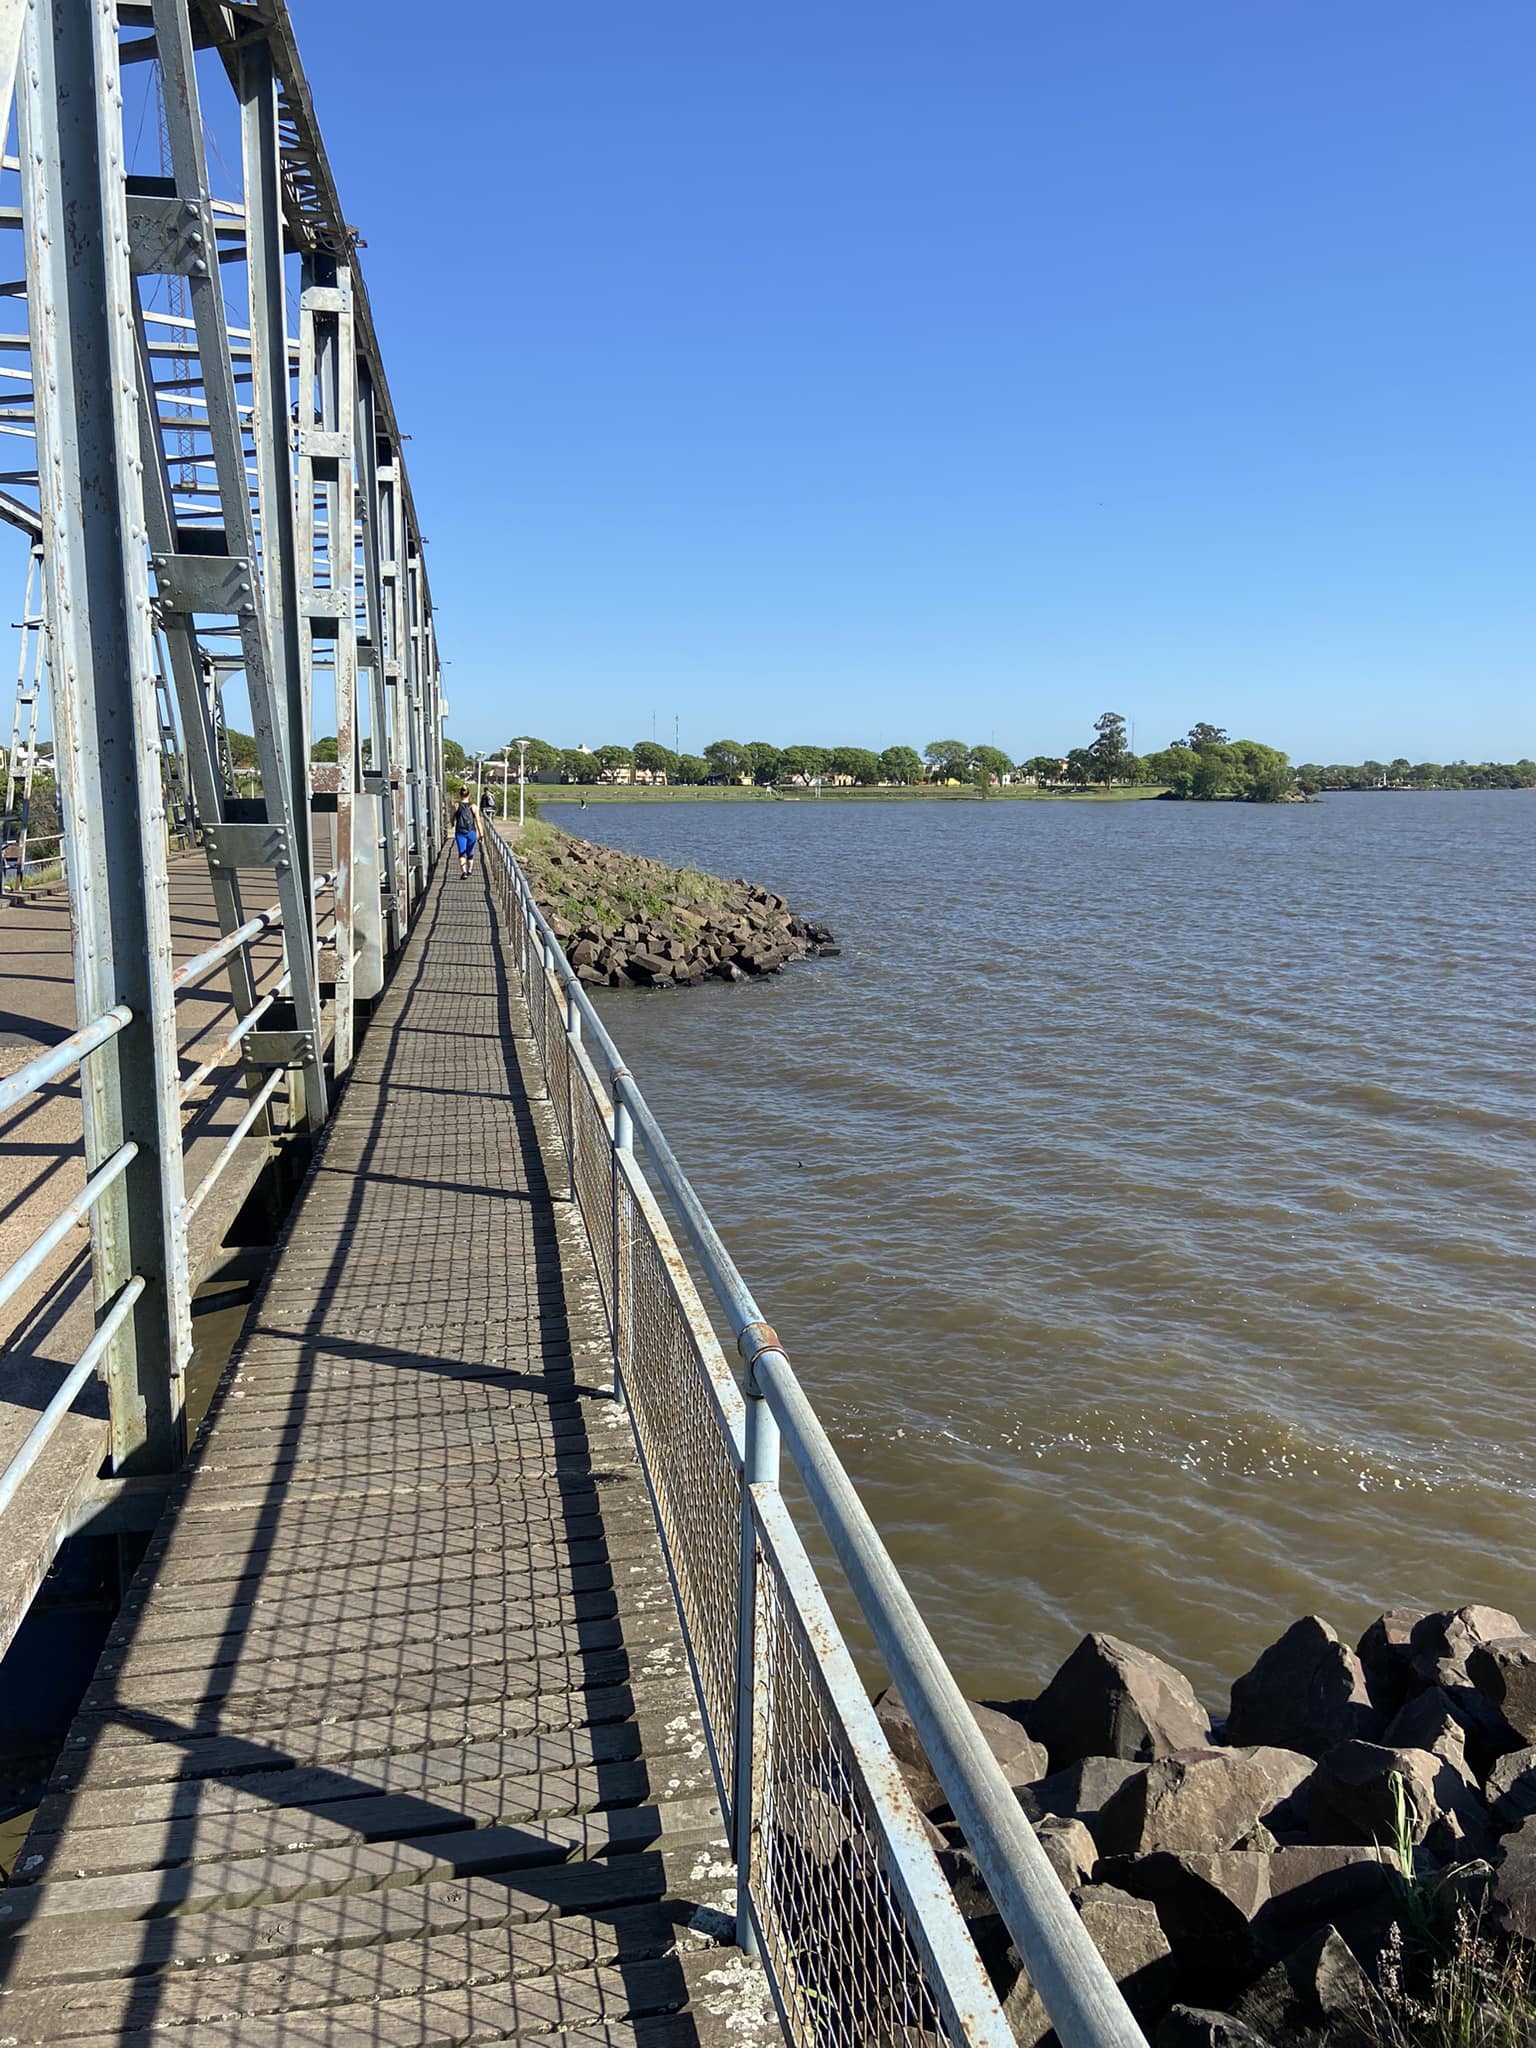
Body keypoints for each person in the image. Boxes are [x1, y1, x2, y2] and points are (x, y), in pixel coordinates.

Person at [452, 788, 478, 877]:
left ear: (460, 794)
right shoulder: (474, 806)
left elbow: (452, 817)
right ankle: (469, 870)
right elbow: (478, 821)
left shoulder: (456, 805)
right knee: (470, 852)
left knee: (462, 852)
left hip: (460, 832)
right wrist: (481, 834)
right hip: (471, 832)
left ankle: (464, 872)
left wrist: (452, 823)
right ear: (469, 795)